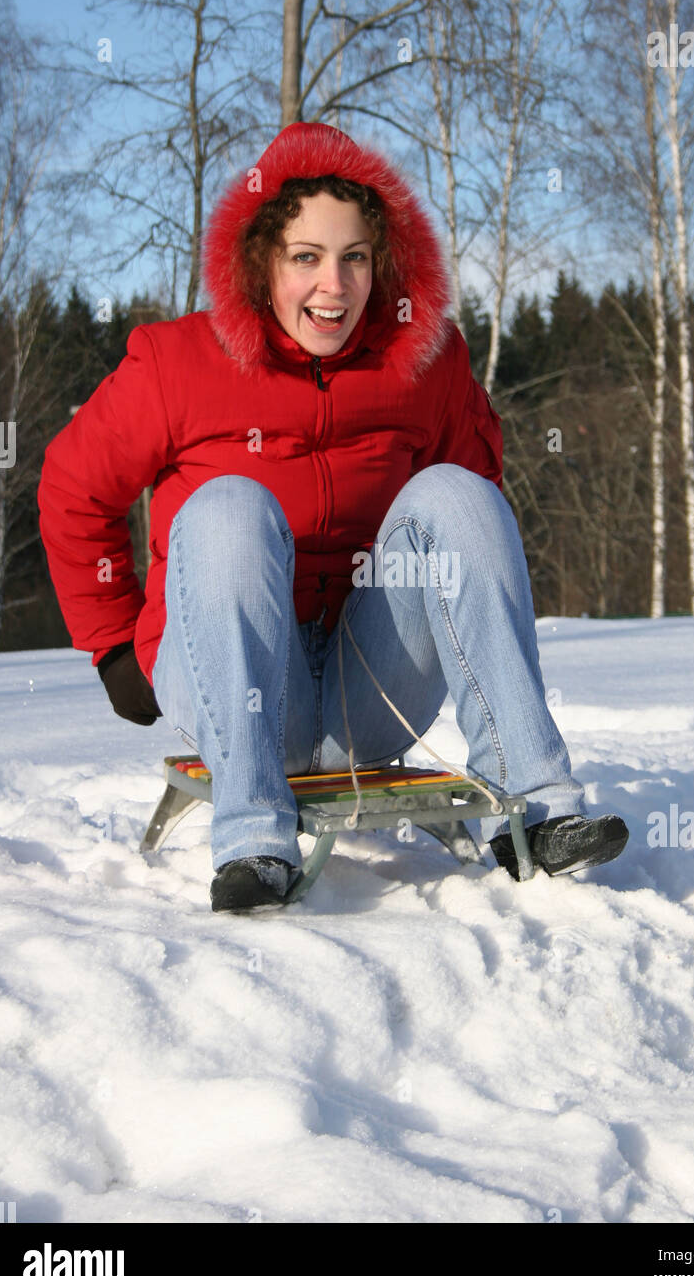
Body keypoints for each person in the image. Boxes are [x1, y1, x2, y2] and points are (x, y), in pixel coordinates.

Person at [38, 121, 628, 912]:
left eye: (354, 258)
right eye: (306, 258)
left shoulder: (425, 362)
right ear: (261, 264)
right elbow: (74, 488)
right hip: (234, 683)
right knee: (228, 506)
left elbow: (473, 515)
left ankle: (538, 808)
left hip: (367, 695)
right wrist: (112, 644)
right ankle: (252, 842)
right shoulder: (177, 361)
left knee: (455, 492)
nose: (334, 286)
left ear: (382, 264)